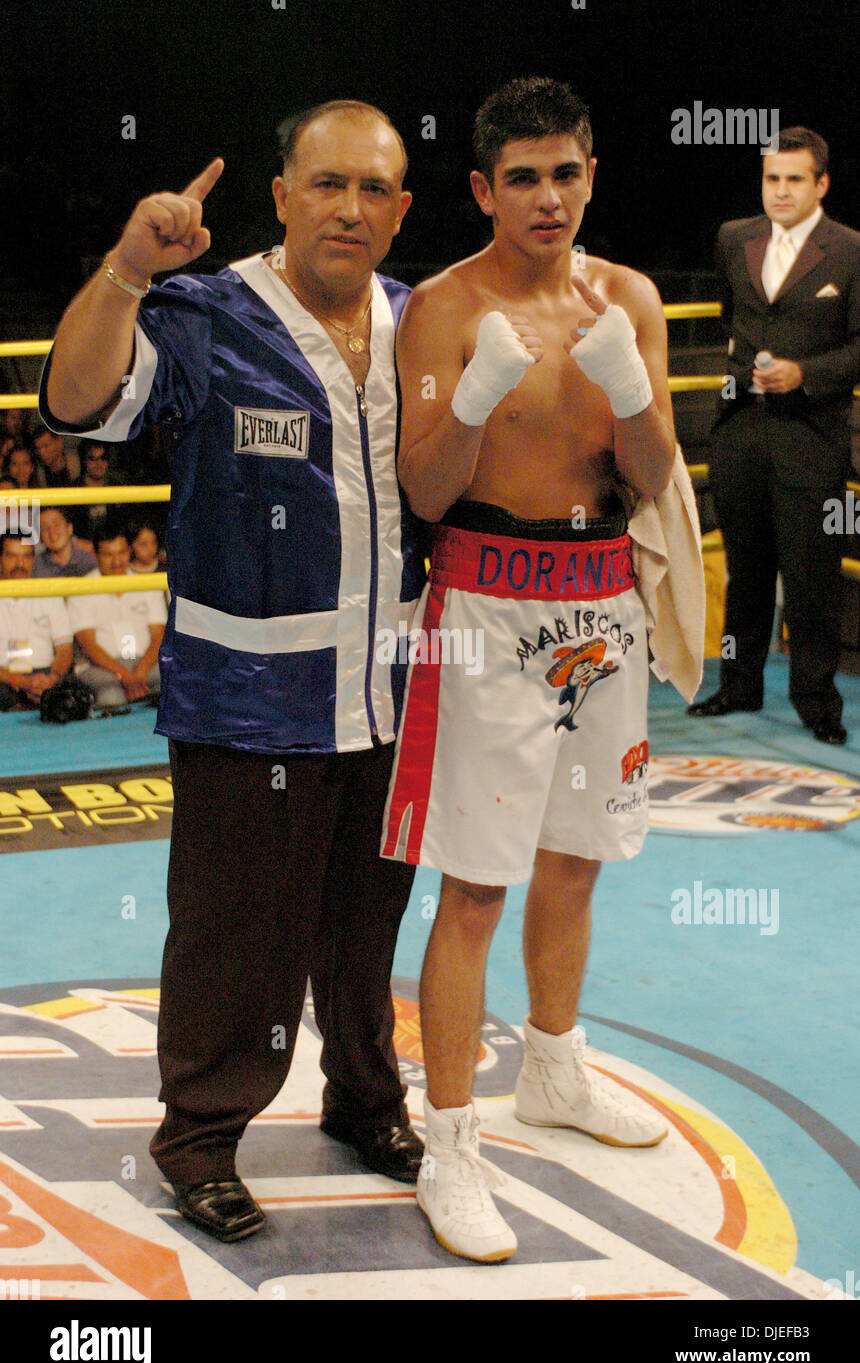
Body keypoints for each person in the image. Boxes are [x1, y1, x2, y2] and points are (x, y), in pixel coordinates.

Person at [40, 99, 426, 1242]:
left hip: (390, 698)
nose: (347, 208)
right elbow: (75, 405)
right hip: (247, 709)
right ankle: (198, 1137)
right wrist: (122, 269)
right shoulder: (206, 312)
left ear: (401, 209)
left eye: (371, 189)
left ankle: (366, 1098)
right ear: (280, 195)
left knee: (364, 929)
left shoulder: (425, 321)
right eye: (325, 184)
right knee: (234, 933)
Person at [380, 77, 701, 1263]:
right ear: (481, 189)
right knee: (474, 887)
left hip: (601, 599)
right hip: (483, 606)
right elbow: (422, 487)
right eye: (522, 177)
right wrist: (471, 393)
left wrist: (627, 388)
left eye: (565, 172)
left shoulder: (630, 298)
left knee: (574, 861)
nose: (547, 197)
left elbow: (656, 467)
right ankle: (449, 1139)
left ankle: (555, 1070)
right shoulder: (441, 308)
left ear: (590, 176)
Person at [688, 127, 860, 745]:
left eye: (794, 179)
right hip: (739, 429)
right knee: (745, 568)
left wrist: (804, 374)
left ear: (821, 184)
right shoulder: (733, 238)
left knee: (812, 572)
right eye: (772, 178)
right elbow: (729, 319)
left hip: (811, 436)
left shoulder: (851, 249)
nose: (781, 190)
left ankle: (817, 701)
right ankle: (738, 685)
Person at [67, 519, 166, 709]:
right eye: (108, 555)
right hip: (101, 668)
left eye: (121, 553)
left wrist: (141, 671)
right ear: (95, 556)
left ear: (129, 552)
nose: (116, 561)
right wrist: (124, 674)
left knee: (174, 689)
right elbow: (88, 645)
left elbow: (158, 635)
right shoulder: (82, 589)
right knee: (111, 699)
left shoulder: (147, 583)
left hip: (146, 663)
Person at [0, 533, 73, 711]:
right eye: (11, 556)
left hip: (46, 674)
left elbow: (65, 648)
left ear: (33, 559)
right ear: (0, 558)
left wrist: (51, 679)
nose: (19, 564)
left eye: (26, 556)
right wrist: (20, 681)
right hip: (4, 678)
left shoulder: (48, 592)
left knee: (75, 696)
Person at [32, 505, 98, 578]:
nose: (52, 532)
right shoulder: (35, 567)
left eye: (56, 524)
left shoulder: (91, 559)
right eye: (44, 527)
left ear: (69, 528)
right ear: (40, 537)